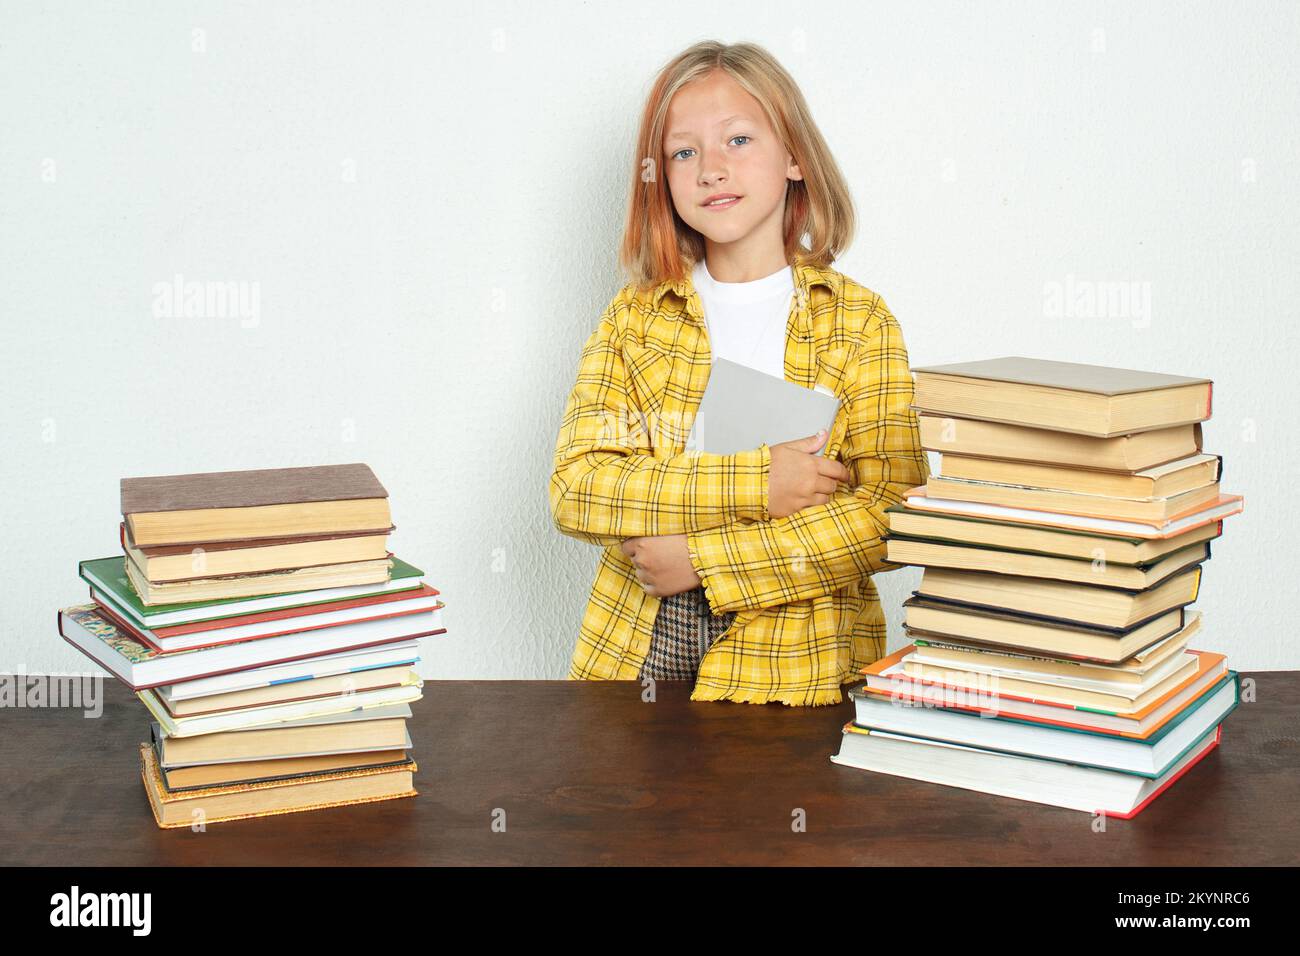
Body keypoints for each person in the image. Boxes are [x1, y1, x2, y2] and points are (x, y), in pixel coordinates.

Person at [548, 40, 931, 705]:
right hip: (642, 647)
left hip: (797, 660)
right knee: (628, 807)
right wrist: (763, 483)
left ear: (794, 159)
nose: (711, 170)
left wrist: (700, 561)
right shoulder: (634, 320)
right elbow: (579, 487)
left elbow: (891, 513)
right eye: (684, 152)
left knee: (771, 805)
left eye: (739, 139)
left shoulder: (858, 323)